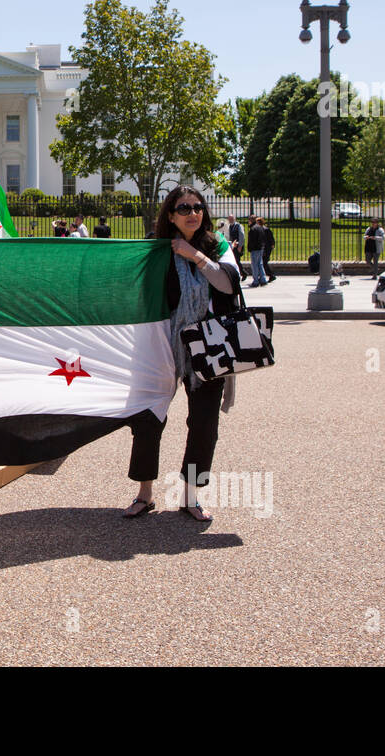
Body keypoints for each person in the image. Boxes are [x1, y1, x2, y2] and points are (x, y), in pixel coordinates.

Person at [123, 186, 241, 522]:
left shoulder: (216, 244)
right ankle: (144, 494)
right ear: (171, 215)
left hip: (209, 344)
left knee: (203, 423)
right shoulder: (156, 247)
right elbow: (138, 291)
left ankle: (190, 496)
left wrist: (194, 255)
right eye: (184, 207)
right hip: (162, 343)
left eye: (198, 207)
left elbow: (229, 283)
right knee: (149, 418)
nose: (193, 212)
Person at [247, 216, 268, 287]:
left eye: (249, 220)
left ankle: (255, 281)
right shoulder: (260, 227)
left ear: (251, 221)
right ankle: (263, 279)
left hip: (255, 249)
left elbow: (251, 241)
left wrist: (250, 248)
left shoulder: (253, 229)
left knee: (255, 265)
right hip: (260, 248)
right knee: (260, 264)